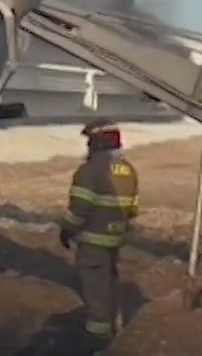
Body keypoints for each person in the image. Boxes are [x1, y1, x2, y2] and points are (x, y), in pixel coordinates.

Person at [57, 117, 141, 348]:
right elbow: (132, 209)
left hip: (93, 241)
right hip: (115, 239)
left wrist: (67, 230)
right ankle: (116, 326)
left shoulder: (90, 171)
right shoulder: (128, 170)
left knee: (95, 287)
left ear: (97, 143)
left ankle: (98, 338)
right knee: (109, 282)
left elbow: (79, 209)